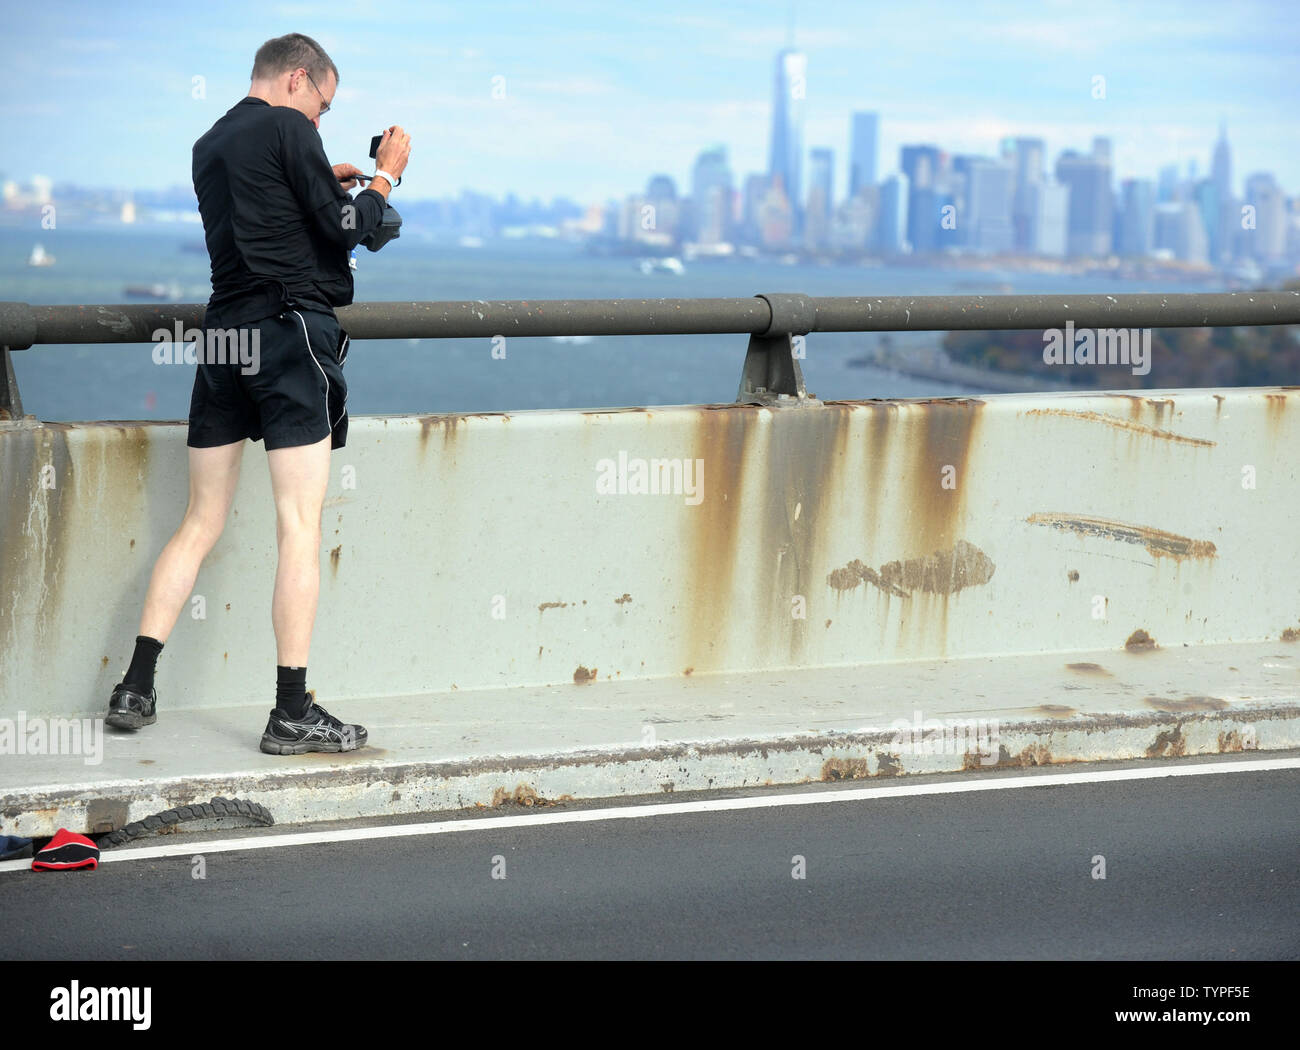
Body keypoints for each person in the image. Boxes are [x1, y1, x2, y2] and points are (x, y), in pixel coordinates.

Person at [104, 33, 411, 754]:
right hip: (285, 333)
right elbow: (349, 228)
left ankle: (136, 684)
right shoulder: (287, 127)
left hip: (222, 337)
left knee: (199, 520)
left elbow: (267, 216)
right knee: (298, 525)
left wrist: (320, 175)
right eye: (322, 106)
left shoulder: (209, 141)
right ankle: (290, 710)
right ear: (297, 78)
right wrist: (385, 179)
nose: (319, 122)